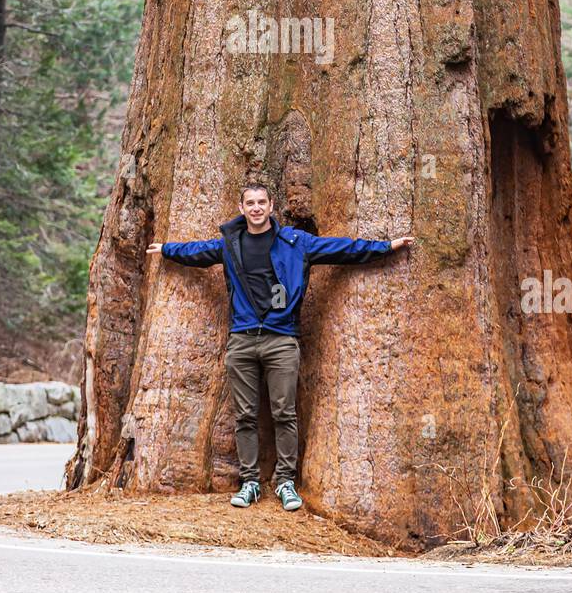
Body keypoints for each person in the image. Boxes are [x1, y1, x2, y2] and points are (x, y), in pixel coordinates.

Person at [147, 182, 414, 511]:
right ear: (241, 207)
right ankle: (249, 483)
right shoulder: (231, 243)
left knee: (283, 413)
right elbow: (197, 252)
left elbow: (343, 249)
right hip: (242, 340)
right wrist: (168, 250)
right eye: (250, 203)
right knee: (245, 415)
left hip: (281, 340)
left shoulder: (295, 242)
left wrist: (386, 246)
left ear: (271, 206)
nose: (256, 208)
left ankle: (285, 481)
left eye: (262, 202)